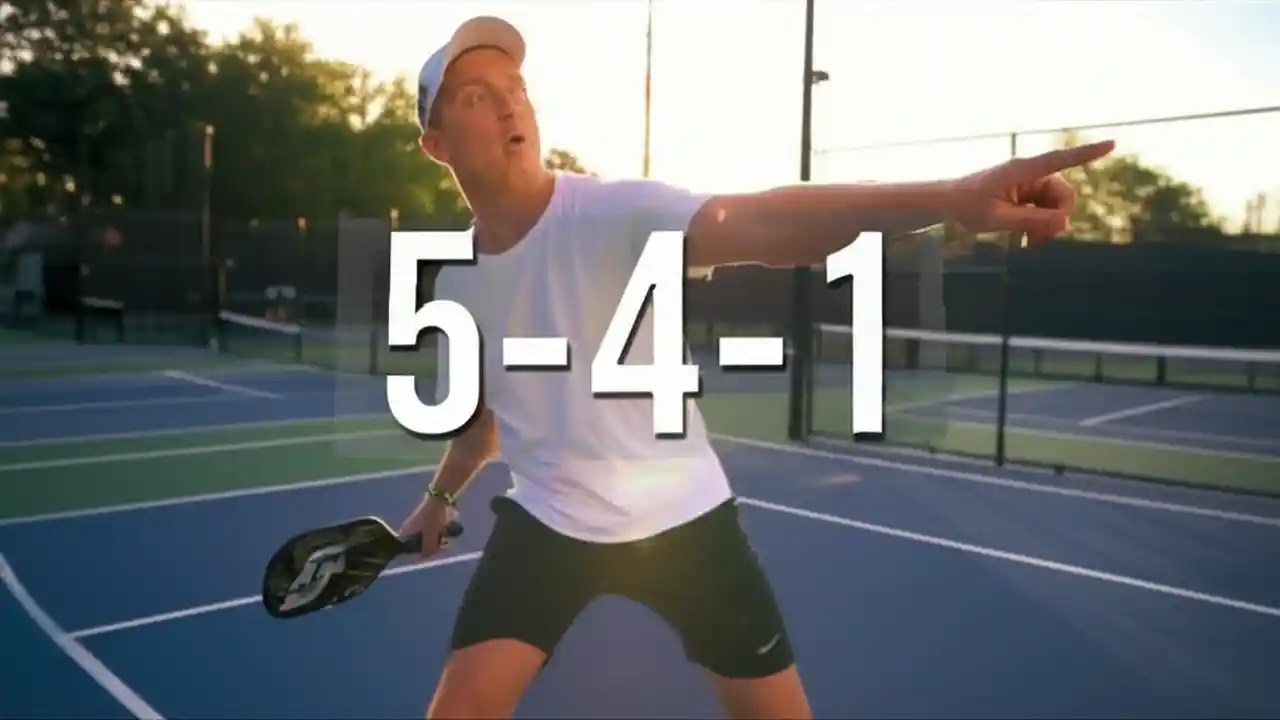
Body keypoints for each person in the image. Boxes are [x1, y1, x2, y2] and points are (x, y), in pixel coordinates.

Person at [398, 15, 1114, 720]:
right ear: (437, 144)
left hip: (683, 519)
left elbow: (768, 223)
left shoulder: (616, 213)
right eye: (474, 97)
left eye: (514, 86)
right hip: (548, 526)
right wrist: (442, 497)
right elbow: (487, 419)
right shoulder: (458, 282)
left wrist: (950, 200)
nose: (507, 104)